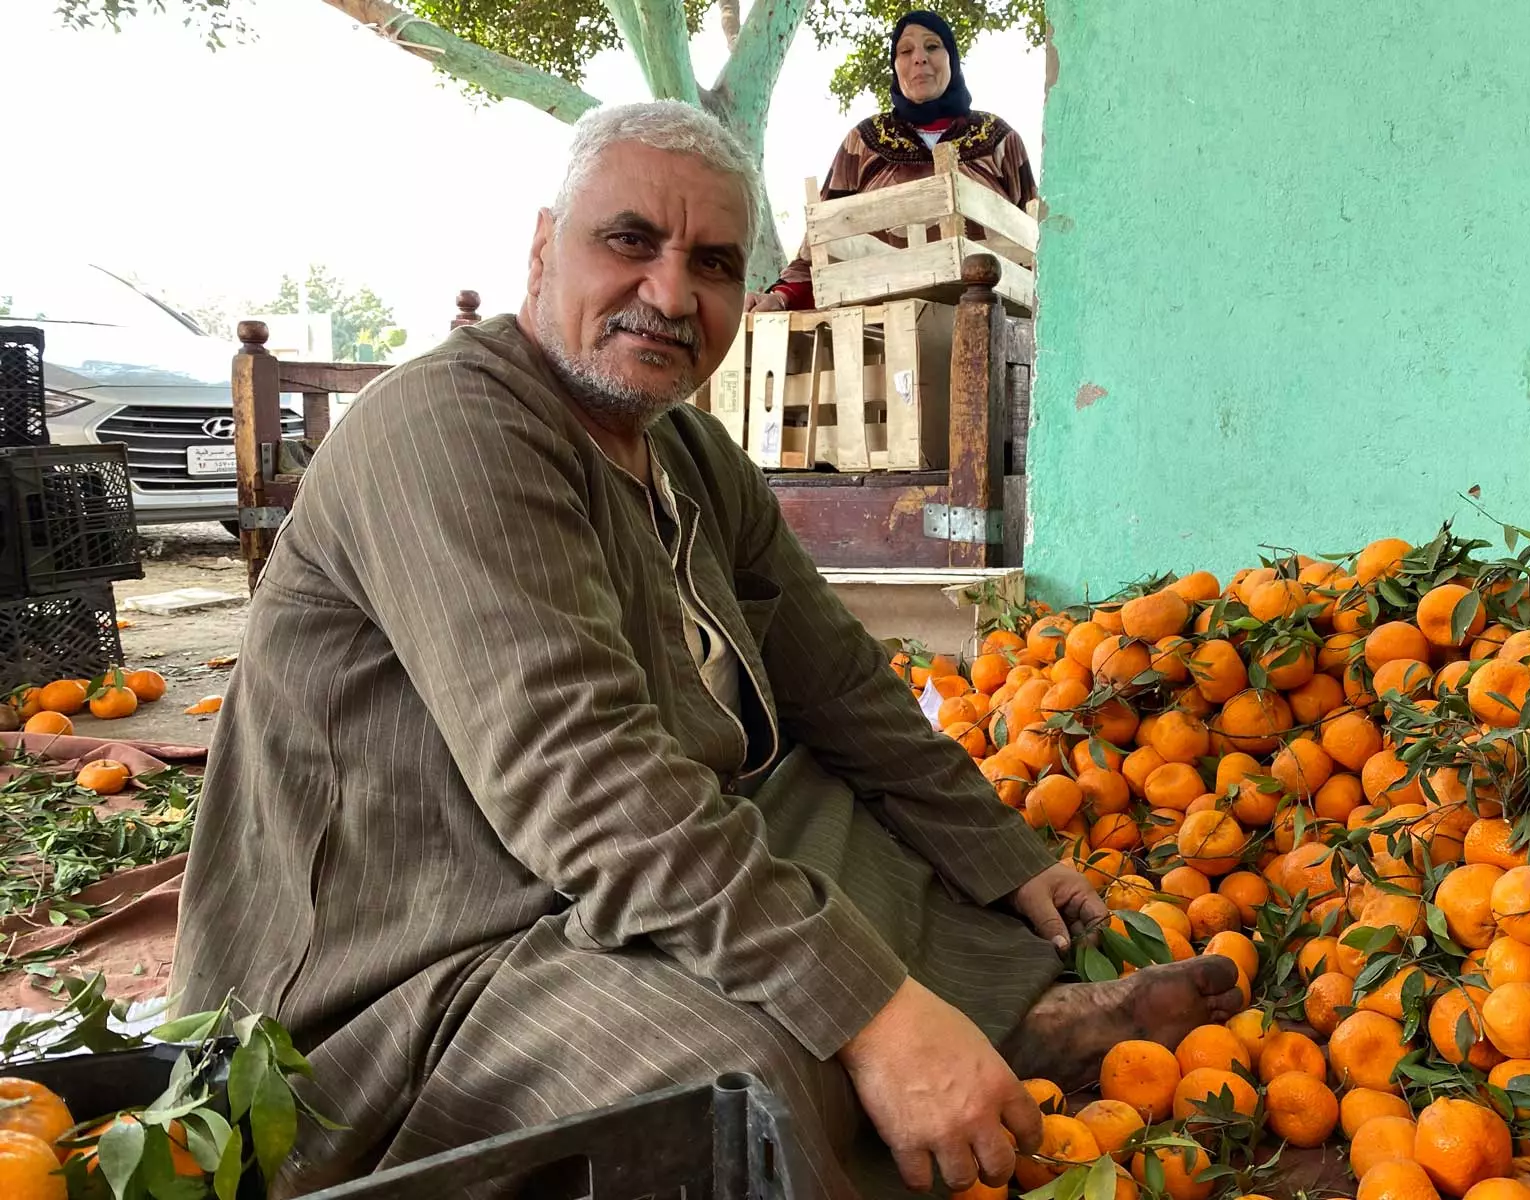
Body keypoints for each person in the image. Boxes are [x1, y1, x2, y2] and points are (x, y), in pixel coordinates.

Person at [170, 101, 1240, 1200]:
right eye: (629, 241)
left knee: (861, 815)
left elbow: (840, 682)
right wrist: (870, 1013)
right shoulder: (447, 433)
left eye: (714, 265)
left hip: (589, 886)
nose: (672, 296)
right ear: (544, 250)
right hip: (412, 968)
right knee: (738, 1084)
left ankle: (1008, 1030)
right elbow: (586, 781)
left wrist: (1006, 855)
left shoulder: (682, 447)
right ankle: (934, 1063)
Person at [746, 9, 1037, 313]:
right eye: (906, 50)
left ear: (951, 57)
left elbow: (1039, 245)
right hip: (882, 335)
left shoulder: (999, 139)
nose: (919, 58)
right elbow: (821, 246)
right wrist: (781, 297)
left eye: (933, 46)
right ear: (895, 66)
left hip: (990, 324)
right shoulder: (864, 142)